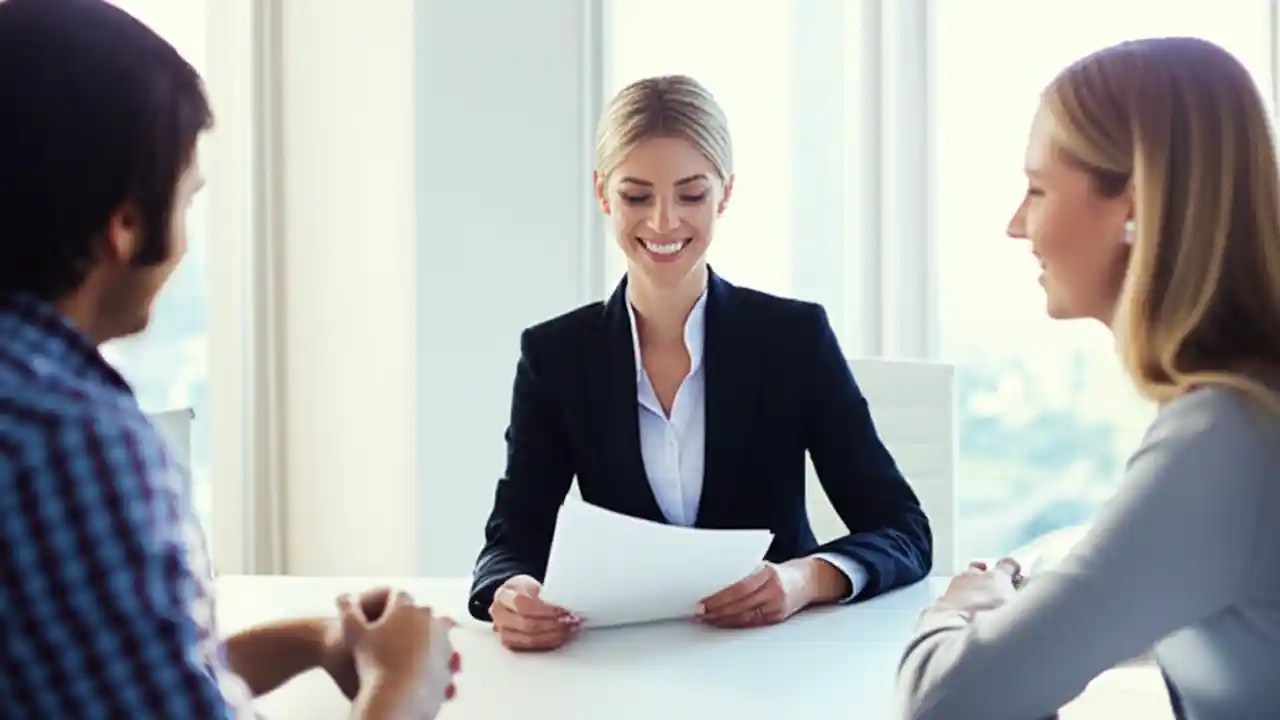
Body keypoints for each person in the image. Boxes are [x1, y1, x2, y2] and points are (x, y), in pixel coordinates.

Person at [0, 1, 458, 717]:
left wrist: (317, 640)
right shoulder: (71, 445)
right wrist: (404, 685)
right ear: (126, 225)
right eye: (187, 201)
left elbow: (95, 673)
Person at [469, 74, 933, 650]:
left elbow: (902, 529)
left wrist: (803, 579)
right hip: (622, 660)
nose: (664, 221)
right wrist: (512, 592)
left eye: (691, 195)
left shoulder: (793, 339)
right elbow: (512, 540)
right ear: (603, 194)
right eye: (637, 196)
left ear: (725, 194)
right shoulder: (556, 356)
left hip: (778, 657)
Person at [896, 37, 1280, 719]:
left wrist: (960, 610)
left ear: (1135, 204)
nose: (1017, 226)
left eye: (1038, 190)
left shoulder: (1223, 433)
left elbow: (948, 701)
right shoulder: (1247, 407)